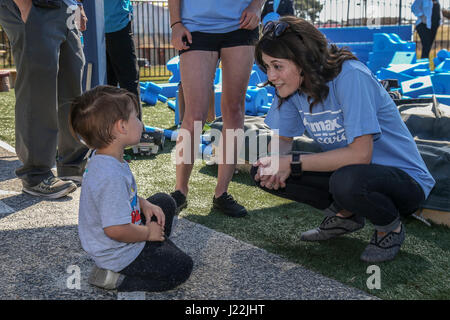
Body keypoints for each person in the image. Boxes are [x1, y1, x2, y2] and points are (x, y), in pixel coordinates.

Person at [251, 17, 436, 263]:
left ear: (303, 59)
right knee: (262, 168)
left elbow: (361, 155)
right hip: (353, 172)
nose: (271, 75)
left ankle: (390, 228)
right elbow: (283, 139)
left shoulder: (350, 76)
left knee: (345, 180)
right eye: (267, 67)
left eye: (277, 66)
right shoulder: (289, 86)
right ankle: (345, 216)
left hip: (405, 180)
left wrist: (291, 162)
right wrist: (274, 163)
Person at [69, 85, 193, 291]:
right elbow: (116, 230)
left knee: (164, 202)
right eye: (136, 116)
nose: (140, 121)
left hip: (124, 235)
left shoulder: (105, 157)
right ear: (122, 127)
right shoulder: (110, 176)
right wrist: (147, 233)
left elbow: (119, 199)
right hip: (119, 252)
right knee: (182, 267)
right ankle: (118, 279)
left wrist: (143, 203)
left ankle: (155, 246)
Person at [168, 0, 265, 218]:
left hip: (241, 25)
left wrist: (256, 6)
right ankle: (180, 190)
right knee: (194, 114)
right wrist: (175, 23)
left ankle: (222, 193)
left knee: (234, 111)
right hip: (195, 27)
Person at [0, 0, 89, 198]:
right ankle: (35, 174)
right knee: (38, 90)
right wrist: (24, 6)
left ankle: (72, 165)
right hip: (34, 6)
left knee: (72, 87)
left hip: (65, 7)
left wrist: (78, 5)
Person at [104, 0, 142, 119]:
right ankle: (135, 128)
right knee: (128, 82)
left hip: (102, 24)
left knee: (107, 86)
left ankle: (108, 130)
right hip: (116, 24)